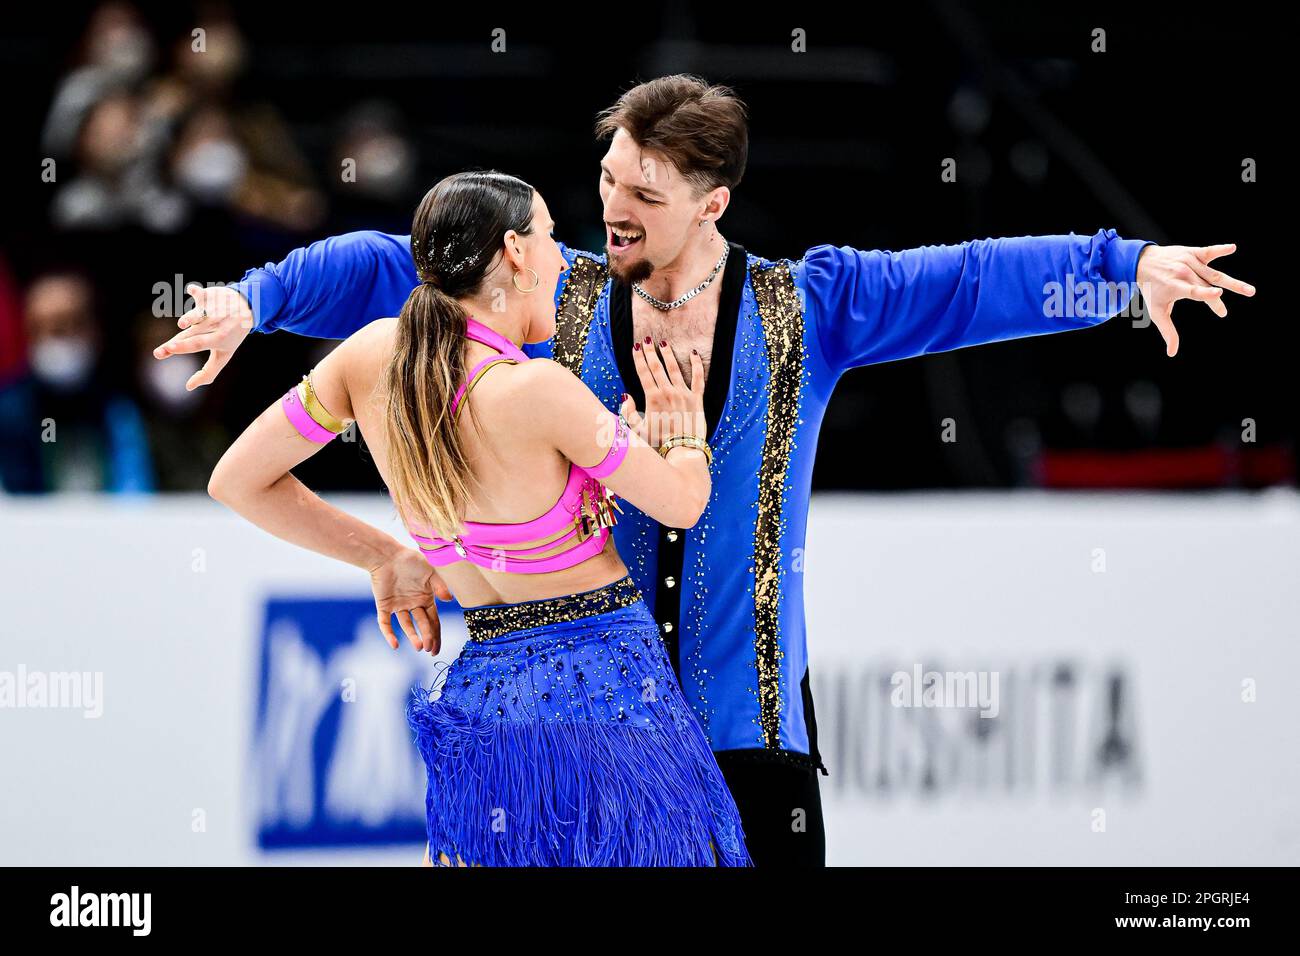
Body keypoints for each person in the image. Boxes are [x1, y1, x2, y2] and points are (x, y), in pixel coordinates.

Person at [159, 75, 1255, 867]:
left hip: (749, 730)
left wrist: (1123, 270)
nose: (612, 205)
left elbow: (967, 284)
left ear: (710, 201)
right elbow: (382, 266)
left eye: (642, 189)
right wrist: (257, 299)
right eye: (606, 178)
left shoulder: (809, 306)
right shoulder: (552, 295)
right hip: (597, 732)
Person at [206, 170, 751, 866]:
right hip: (605, 690)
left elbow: (237, 481)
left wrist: (383, 556)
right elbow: (683, 503)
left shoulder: (369, 358)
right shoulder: (539, 390)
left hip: (486, 699)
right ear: (516, 253)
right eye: (551, 237)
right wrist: (684, 436)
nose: (564, 262)